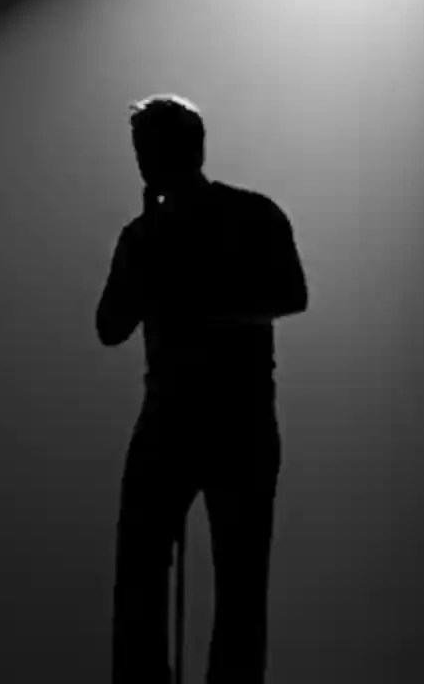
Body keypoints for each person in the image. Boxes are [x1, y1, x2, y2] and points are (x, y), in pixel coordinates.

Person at [97, 93, 308, 684]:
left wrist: (201, 301)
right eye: (140, 151)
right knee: (141, 569)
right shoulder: (143, 235)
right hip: (171, 416)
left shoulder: (252, 216)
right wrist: (145, 253)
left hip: (235, 421)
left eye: (149, 150)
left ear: (183, 151)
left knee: (238, 579)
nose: (142, 163)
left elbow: (292, 294)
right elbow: (109, 328)